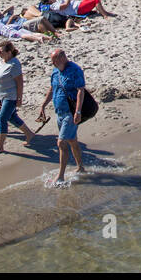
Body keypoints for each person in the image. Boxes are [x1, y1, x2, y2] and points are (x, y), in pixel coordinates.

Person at [40, 48, 88, 183]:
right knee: (72, 141)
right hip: (59, 112)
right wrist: (43, 105)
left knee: (61, 142)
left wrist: (78, 111)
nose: (52, 63)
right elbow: (52, 88)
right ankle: (81, 167)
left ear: (62, 58)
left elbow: (80, 91)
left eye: (54, 60)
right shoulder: (55, 71)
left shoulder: (75, 70)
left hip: (70, 113)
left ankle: (60, 177)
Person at [0, 43, 37, 155]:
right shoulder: (3, 62)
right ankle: (29, 134)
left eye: (1, 51)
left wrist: (19, 98)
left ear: (9, 52)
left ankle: (0, 146)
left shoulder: (14, 64)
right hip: (2, 96)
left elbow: (19, 83)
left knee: (2, 119)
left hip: (11, 97)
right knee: (12, 117)